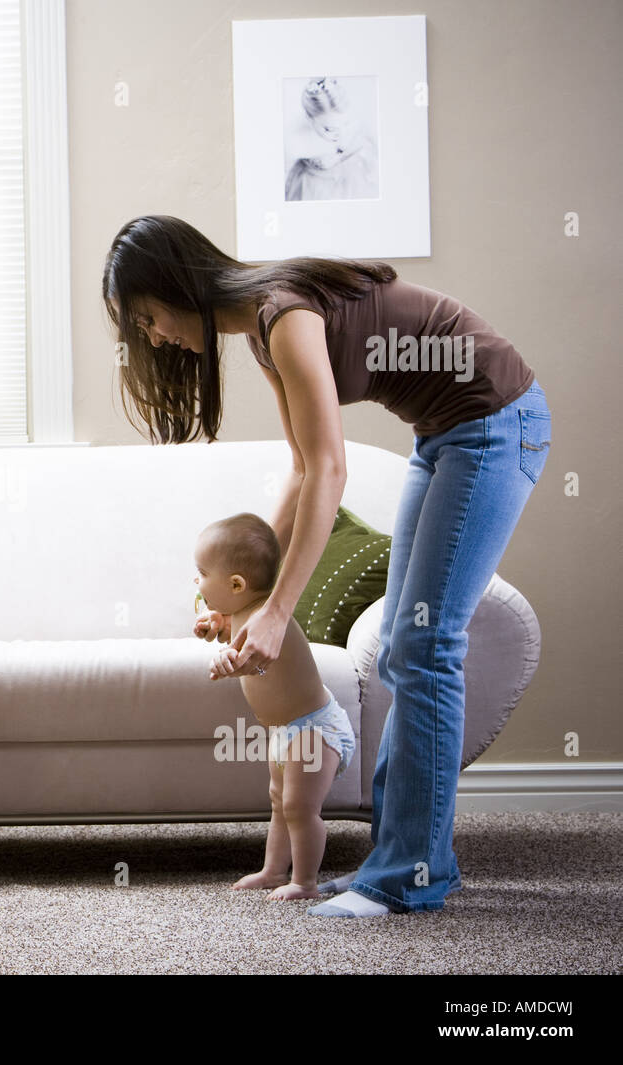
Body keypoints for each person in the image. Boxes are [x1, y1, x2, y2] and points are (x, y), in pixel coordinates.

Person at [103, 215, 551, 916]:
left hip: (496, 422)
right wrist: (235, 600)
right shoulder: (261, 329)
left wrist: (278, 610)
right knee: (406, 649)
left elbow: (332, 471)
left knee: (425, 645)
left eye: (148, 316)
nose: (154, 336)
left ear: (176, 285)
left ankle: (408, 874)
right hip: (444, 433)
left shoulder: (282, 313)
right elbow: (300, 471)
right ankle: (400, 858)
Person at [192, 513, 356, 901]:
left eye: (201, 574)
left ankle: (305, 881)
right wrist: (213, 625)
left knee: (299, 807)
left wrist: (224, 659)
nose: (196, 582)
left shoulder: (269, 622)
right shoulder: (247, 609)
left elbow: (250, 661)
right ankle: (272, 871)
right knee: (279, 802)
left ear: (236, 584)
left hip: (315, 728)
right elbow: (227, 627)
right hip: (286, 730)